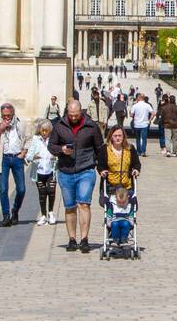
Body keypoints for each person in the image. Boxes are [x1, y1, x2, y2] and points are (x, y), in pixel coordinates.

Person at [47, 99, 105, 253]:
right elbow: (51, 146)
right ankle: (72, 239)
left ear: (81, 111)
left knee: (84, 204)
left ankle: (84, 239)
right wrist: (61, 149)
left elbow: (100, 148)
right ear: (67, 112)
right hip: (66, 171)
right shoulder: (59, 126)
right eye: (71, 115)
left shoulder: (91, 126)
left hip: (86, 170)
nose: (73, 117)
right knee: (70, 207)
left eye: (76, 115)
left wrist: (102, 168)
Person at [0, 102, 30, 228]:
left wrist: (24, 151)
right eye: (4, 116)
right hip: (3, 158)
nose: (6, 118)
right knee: (3, 189)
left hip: (17, 158)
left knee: (21, 189)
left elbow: (29, 138)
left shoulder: (21, 123)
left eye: (9, 115)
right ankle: (6, 216)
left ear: (13, 113)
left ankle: (15, 210)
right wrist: (0, 129)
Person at [26, 122, 57, 226]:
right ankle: (43, 215)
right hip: (39, 171)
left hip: (51, 170)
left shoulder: (53, 140)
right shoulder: (36, 140)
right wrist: (33, 157)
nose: (44, 133)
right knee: (42, 193)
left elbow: (59, 153)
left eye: (46, 131)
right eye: (42, 130)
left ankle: (51, 212)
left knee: (51, 191)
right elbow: (29, 156)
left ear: (50, 131)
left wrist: (55, 157)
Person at [98, 125, 141, 195]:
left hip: (127, 186)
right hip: (110, 186)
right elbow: (100, 165)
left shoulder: (130, 148)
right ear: (111, 136)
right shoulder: (105, 149)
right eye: (115, 136)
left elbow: (137, 163)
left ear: (123, 136)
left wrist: (136, 169)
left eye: (120, 136)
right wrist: (101, 171)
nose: (117, 138)